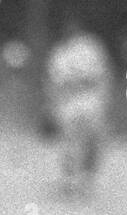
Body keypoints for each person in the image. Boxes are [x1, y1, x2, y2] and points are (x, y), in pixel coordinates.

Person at [44, 19, 112, 193]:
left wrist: (104, 98)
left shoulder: (90, 46)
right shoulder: (59, 52)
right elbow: (54, 82)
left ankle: (87, 179)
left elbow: (103, 74)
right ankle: (69, 179)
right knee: (69, 141)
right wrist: (52, 105)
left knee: (93, 139)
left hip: (90, 96)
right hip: (69, 98)